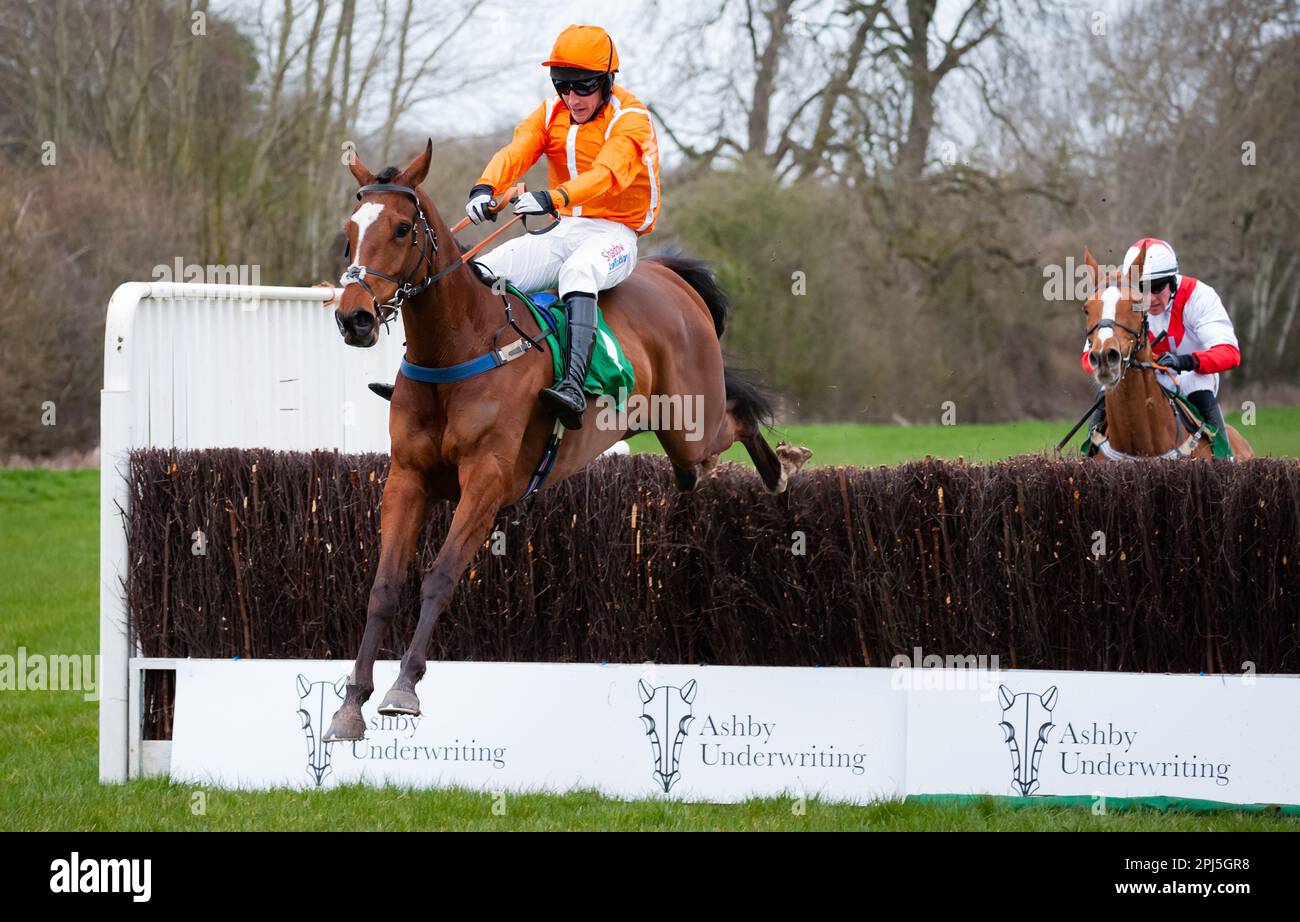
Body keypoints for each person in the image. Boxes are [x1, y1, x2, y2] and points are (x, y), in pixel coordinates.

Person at [1084, 237, 1241, 454]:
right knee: (1106, 391)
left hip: (1192, 373)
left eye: (1157, 288)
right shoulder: (1123, 300)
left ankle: (1225, 461)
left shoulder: (1200, 296)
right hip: (1142, 374)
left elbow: (1230, 353)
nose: (1149, 298)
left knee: (1197, 384)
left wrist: (1186, 361)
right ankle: (1089, 458)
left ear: (1173, 281)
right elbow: (1088, 356)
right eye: (1142, 288)